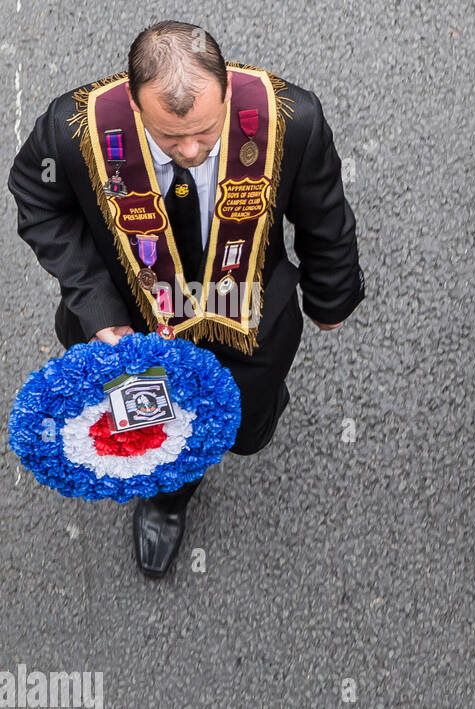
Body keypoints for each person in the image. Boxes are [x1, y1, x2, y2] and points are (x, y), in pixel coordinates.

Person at [9, 20, 364, 576]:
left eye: (207, 131)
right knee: (153, 427)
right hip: (133, 321)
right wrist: (94, 306)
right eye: (171, 140)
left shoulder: (291, 121)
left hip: (244, 315)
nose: (193, 151)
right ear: (133, 101)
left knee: (244, 427)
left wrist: (331, 298)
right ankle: (167, 498)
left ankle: (233, 428)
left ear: (228, 89)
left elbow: (325, 218)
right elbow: (36, 194)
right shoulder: (72, 131)